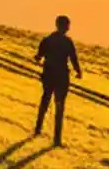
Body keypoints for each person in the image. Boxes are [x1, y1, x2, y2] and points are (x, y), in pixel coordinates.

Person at [33, 15, 82, 146]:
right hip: (61, 77)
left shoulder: (48, 40)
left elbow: (39, 55)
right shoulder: (67, 42)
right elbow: (73, 58)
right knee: (59, 105)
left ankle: (38, 128)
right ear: (65, 27)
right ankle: (57, 139)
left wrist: (38, 57)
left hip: (49, 74)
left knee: (45, 100)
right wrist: (78, 71)